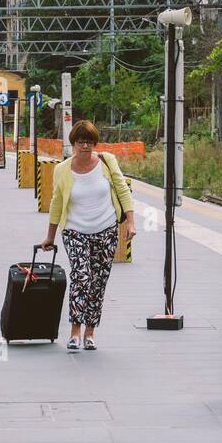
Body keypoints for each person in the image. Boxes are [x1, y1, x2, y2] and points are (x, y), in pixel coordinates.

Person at [40, 120, 136, 350]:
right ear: (73, 144)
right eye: (81, 142)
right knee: (81, 277)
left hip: (106, 231)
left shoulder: (107, 161)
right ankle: (75, 331)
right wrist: (50, 236)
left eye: (90, 142)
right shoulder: (63, 169)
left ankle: (90, 332)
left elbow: (122, 189)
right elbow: (57, 202)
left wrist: (130, 222)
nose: (86, 147)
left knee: (98, 283)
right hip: (75, 231)